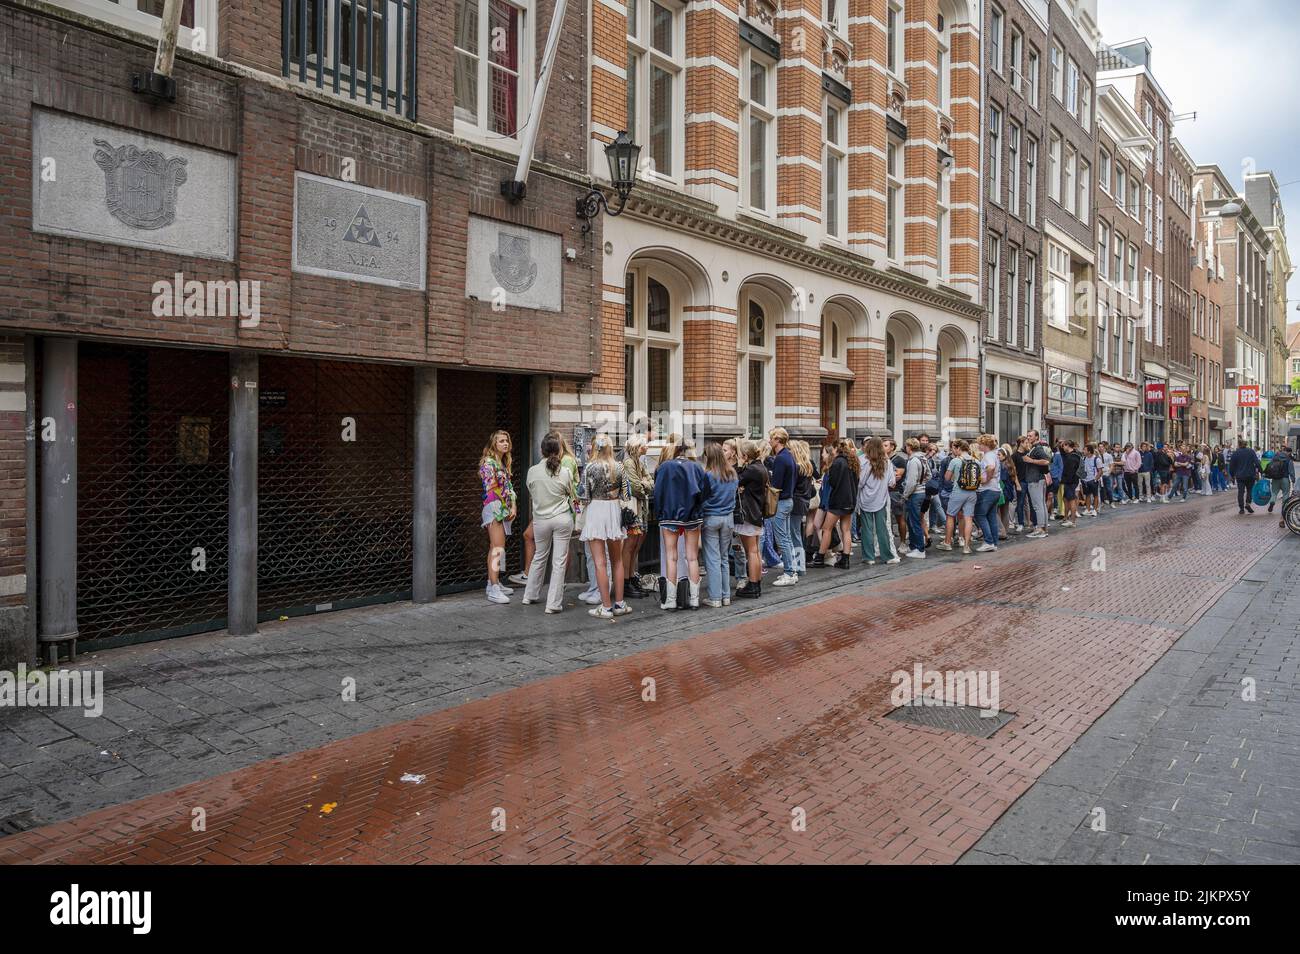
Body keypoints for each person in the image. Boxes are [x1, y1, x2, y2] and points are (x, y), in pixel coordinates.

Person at [521, 433, 578, 613]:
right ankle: (553, 604)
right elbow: (571, 494)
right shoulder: (565, 472)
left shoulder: (532, 471)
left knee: (539, 556)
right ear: (559, 450)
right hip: (562, 518)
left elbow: (530, 490)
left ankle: (529, 595)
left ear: (541, 451)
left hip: (540, 519)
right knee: (558, 562)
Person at [653, 436, 708, 610]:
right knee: (692, 557)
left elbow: (658, 492)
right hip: (692, 517)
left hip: (669, 516)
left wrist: (660, 513)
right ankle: (694, 599)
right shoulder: (697, 467)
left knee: (671, 557)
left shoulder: (664, 467)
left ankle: (670, 600)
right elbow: (706, 492)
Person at [579, 433, 630, 618]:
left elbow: (583, 496)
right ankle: (619, 604)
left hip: (596, 512)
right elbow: (627, 495)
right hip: (614, 511)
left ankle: (606, 607)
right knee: (617, 561)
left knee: (600, 562)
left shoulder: (590, 467)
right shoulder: (619, 467)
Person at [479, 429, 518, 604]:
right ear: (494, 444)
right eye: (501, 441)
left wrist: (513, 505)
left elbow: (509, 488)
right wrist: (504, 507)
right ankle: (494, 588)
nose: (505, 443)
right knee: (497, 548)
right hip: (494, 507)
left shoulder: (502, 463)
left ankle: (493, 582)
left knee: (496, 547)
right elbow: (492, 489)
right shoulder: (489, 463)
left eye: (506, 441)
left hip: (503, 507)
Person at [699, 442, 738, 608]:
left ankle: (715, 597)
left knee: (713, 559)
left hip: (712, 518)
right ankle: (725, 596)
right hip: (728, 518)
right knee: (723, 558)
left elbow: (702, 497)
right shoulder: (732, 473)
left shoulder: (708, 475)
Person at [814, 438, 860, 568]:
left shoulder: (837, 463)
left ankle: (820, 557)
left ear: (836, 448)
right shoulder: (853, 462)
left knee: (826, 529)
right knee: (846, 530)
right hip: (850, 500)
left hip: (838, 501)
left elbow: (833, 482)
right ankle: (845, 559)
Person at [618, 434, 653, 598]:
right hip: (633, 509)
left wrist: (646, 483)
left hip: (641, 507)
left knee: (635, 546)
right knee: (629, 546)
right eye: (644, 445)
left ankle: (631, 577)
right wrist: (645, 484)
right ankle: (626, 581)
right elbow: (637, 487)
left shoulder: (640, 461)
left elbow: (650, 481)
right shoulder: (629, 462)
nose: (647, 447)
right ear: (637, 447)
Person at [733, 440, 769, 599]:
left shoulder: (752, 469)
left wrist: (740, 465)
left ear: (746, 455)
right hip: (756, 513)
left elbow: (736, 480)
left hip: (749, 513)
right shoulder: (761, 467)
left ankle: (753, 585)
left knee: (751, 551)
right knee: (755, 551)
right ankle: (756, 582)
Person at [857, 436, 899, 565]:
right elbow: (892, 483)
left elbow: (860, 482)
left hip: (866, 499)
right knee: (882, 529)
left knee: (867, 529)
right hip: (881, 499)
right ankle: (887, 555)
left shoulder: (864, 461)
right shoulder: (887, 462)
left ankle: (869, 557)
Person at [766, 427, 799, 587]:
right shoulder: (789, 456)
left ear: (777, 440)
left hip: (781, 502)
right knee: (786, 538)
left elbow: (776, 484)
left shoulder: (780, 458)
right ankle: (792, 570)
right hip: (789, 500)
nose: (769, 441)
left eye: (771, 438)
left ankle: (789, 572)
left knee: (782, 540)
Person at [937, 439, 977, 554]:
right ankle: (966, 546)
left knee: (950, 516)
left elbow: (947, 478)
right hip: (972, 492)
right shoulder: (975, 460)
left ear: (958, 448)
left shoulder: (955, 461)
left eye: (954, 448)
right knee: (968, 518)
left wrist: (955, 475)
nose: (953, 450)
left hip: (958, 491)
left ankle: (947, 543)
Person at [789, 440, 816, 576]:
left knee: (794, 534)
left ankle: (799, 565)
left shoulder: (797, 468)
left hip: (795, 502)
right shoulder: (807, 466)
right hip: (803, 502)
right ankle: (800, 564)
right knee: (796, 533)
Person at [973, 434, 1002, 552]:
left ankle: (989, 541)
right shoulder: (994, 454)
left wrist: (986, 479)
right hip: (995, 489)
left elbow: (990, 467)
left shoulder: (988, 455)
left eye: (980, 443)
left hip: (988, 489)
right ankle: (993, 542)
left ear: (985, 445)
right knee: (991, 516)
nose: (979, 445)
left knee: (980, 514)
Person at [1022, 429, 1052, 539]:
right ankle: (1043, 528)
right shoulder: (1034, 448)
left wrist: (1031, 461)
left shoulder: (1038, 448)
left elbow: (1046, 461)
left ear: (1037, 437)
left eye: (1030, 436)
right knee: (1041, 505)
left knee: (1038, 505)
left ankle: (1040, 529)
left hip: (1035, 480)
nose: (1028, 437)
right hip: (1037, 479)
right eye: (1028, 435)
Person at [1229, 439, 1262, 514]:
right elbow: (1257, 462)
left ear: (1239, 444)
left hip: (1240, 476)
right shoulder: (1251, 451)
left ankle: (1241, 508)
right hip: (1250, 475)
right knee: (1250, 490)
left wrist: (1232, 475)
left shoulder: (1236, 453)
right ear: (1246, 444)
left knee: (1241, 492)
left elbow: (1231, 465)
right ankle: (1248, 503)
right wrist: (1261, 471)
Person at [1265, 445, 1295, 522]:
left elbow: (1270, 466)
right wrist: (1293, 480)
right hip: (1285, 479)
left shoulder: (1275, 457)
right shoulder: (1289, 459)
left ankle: (1272, 502)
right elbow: (1291, 471)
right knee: (1285, 494)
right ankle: (1284, 510)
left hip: (1275, 479)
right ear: (1288, 452)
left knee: (1274, 492)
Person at [1058, 440, 1082, 527]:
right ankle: (1066, 518)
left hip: (1070, 482)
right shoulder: (1073, 454)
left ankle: (1072, 521)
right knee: (1065, 499)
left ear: (1068, 445)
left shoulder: (1072, 457)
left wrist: (1066, 481)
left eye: (1064, 446)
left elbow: (1071, 471)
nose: (1063, 447)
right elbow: (1062, 453)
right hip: (1070, 481)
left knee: (1071, 500)